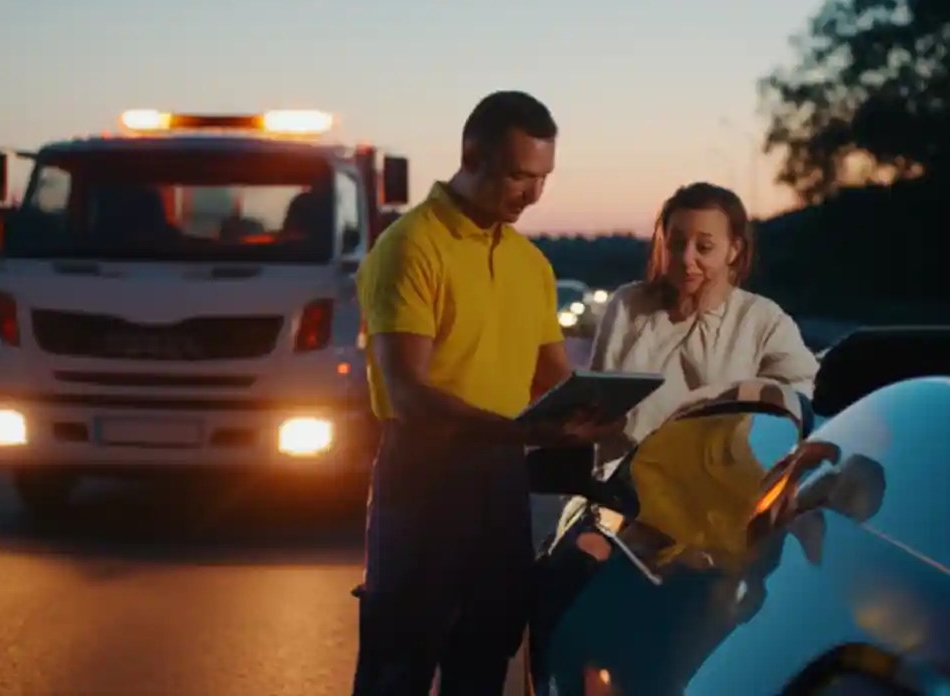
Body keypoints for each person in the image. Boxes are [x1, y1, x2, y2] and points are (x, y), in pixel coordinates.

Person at [351, 90, 620, 695]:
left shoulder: (531, 264)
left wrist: (607, 409)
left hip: (501, 476)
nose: (533, 194)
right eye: (520, 176)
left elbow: (552, 376)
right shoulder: (410, 247)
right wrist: (526, 432)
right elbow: (410, 394)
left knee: (486, 652)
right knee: (401, 659)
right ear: (472, 155)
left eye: (544, 177)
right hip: (421, 476)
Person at [587, 181, 820, 479]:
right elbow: (598, 402)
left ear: (733, 250)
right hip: (626, 494)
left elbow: (805, 398)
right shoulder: (628, 306)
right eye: (676, 243)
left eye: (704, 247)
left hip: (720, 494)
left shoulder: (761, 319)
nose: (686, 259)